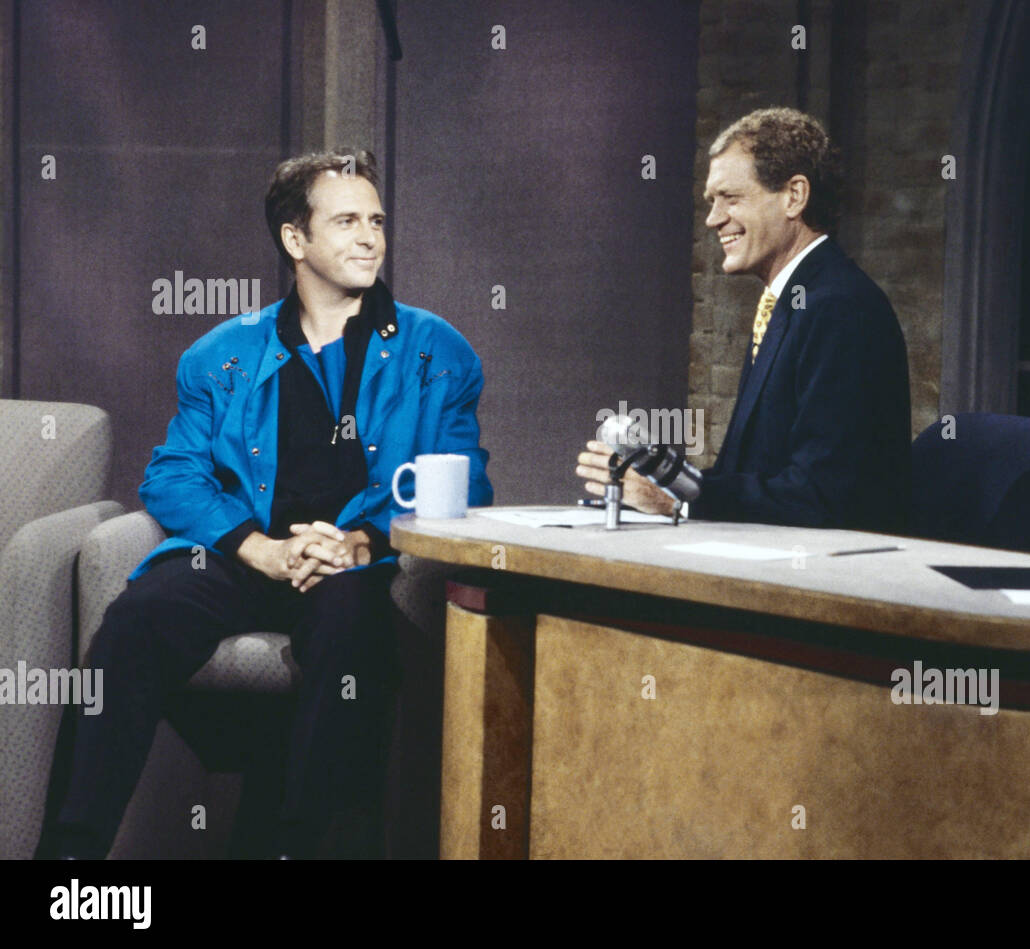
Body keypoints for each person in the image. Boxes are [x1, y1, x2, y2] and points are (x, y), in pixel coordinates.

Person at [38, 150, 492, 859]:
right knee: (134, 620)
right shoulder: (221, 354)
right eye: (346, 220)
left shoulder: (439, 352)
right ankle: (70, 862)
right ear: (295, 238)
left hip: (355, 566)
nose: (370, 235)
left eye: (376, 219)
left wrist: (362, 543)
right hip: (245, 553)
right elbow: (172, 473)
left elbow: (466, 484)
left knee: (346, 626)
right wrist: (261, 548)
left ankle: (294, 847)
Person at [576, 107, 911, 533]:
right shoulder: (793, 299)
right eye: (711, 203)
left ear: (794, 196)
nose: (714, 219)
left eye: (730, 198)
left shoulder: (841, 309)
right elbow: (759, 473)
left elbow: (823, 495)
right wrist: (665, 479)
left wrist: (674, 504)